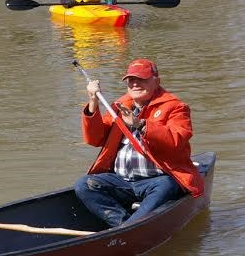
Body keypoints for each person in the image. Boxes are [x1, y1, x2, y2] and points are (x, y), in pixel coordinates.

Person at [74, 59, 205, 227]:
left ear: (156, 82)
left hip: (157, 180)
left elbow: (177, 138)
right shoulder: (119, 106)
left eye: (141, 79)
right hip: (121, 180)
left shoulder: (176, 107)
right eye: (131, 80)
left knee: (166, 186)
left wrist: (140, 124)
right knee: (84, 185)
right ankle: (123, 225)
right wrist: (93, 102)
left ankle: (129, 228)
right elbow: (95, 139)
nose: (135, 84)